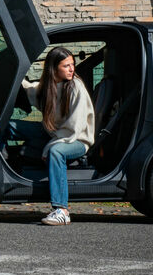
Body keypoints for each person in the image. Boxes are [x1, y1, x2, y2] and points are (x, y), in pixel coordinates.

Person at [7, 45, 95, 226]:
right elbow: (32, 90)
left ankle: (61, 210)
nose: (72, 69)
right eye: (66, 66)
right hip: (54, 133)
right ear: (54, 69)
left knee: (56, 151)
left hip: (76, 139)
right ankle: (4, 169)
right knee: (8, 126)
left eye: (72, 64)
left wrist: (50, 145)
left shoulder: (76, 87)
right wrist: (13, 74)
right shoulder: (49, 86)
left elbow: (74, 128)